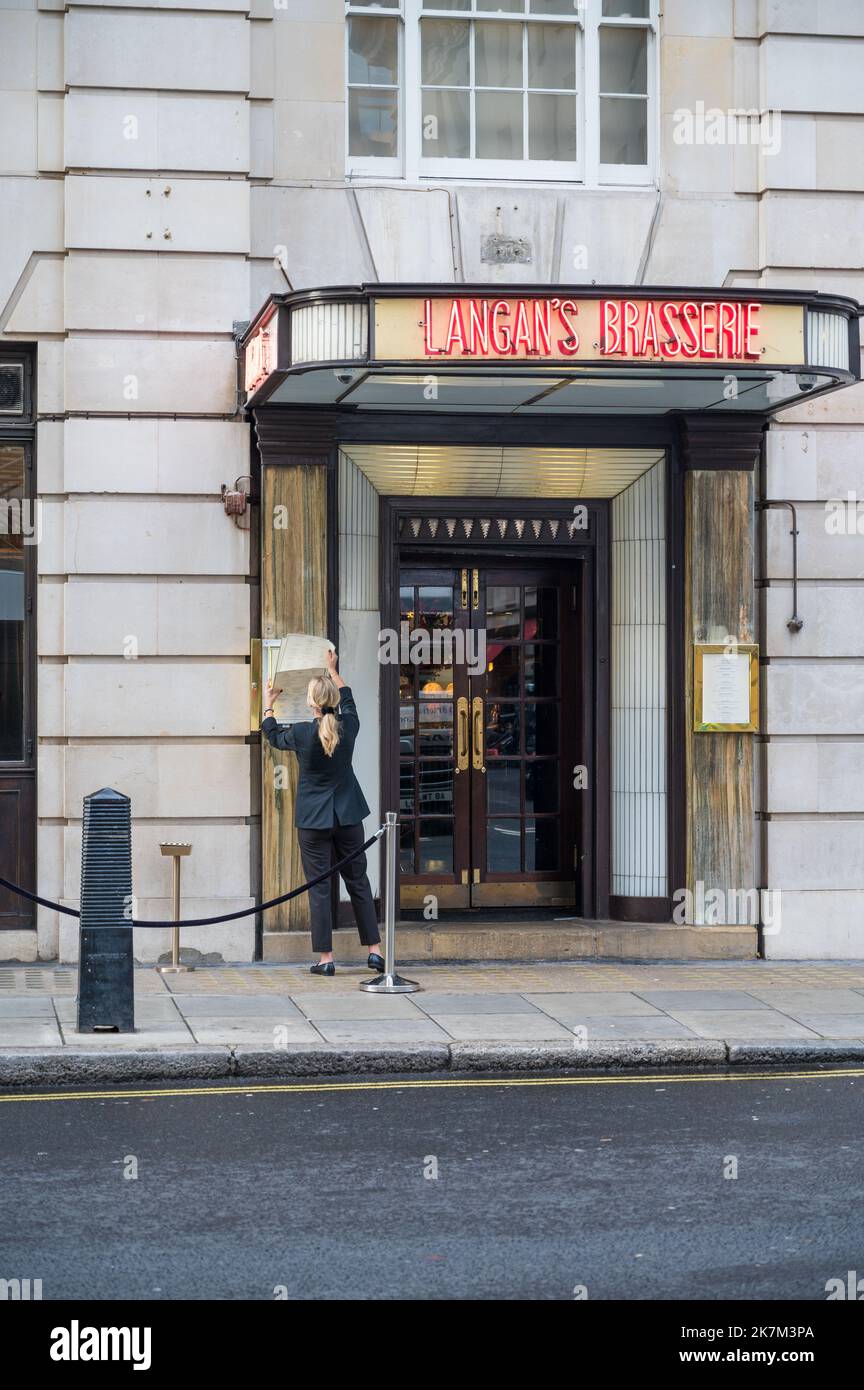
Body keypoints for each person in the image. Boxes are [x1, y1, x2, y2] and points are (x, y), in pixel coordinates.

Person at [262, 649, 383, 977]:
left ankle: (326, 959)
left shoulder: (302, 732)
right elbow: (349, 700)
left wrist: (268, 703)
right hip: (348, 817)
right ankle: (374, 951)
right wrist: (334, 670)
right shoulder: (350, 726)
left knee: (319, 887)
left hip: (313, 821)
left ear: (312, 703)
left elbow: (271, 734)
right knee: (358, 880)